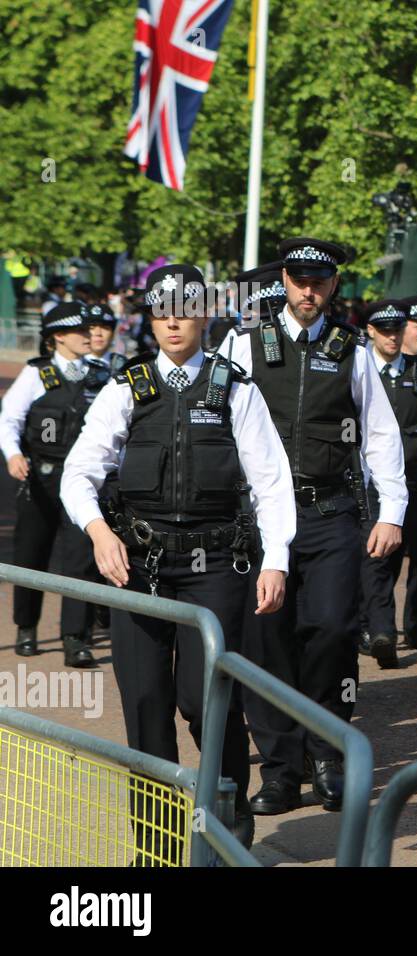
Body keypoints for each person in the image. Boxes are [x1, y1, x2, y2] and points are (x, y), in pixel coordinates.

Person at [60, 264, 295, 855]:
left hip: (215, 569)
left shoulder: (235, 387)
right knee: (145, 708)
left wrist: (276, 559)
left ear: (205, 314)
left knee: (203, 699)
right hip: (137, 569)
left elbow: (271, 482)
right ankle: (158, 845)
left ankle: (228, 812)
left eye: (185, 310)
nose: (173, 321)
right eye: (162, 311)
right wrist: (98, 533)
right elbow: (78, 473)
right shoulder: (125, 388)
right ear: (149, 316)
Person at [221, 238, 407, 816]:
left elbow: (380, 432)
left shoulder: (350, 346)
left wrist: (393, 509)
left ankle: (327, 755)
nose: (308, 291)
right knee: (267, 640)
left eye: (319, 281)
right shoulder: (245, 343)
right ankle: (279, 770)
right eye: (299, 280)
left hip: (330, 512)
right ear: (284, 280)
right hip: (258, 518)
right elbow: (217, 420)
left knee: (330, 629)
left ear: (333, 287)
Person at [1, 303, 103, 665]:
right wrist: (13, 454)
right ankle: (26, 627)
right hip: (41, 477)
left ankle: (75, 637)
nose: (89, 335)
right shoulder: (36, 374)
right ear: (58, 336)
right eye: (80, 331)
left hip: (83, 481)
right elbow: (9, 419)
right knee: (32, 554)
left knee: (80, 557)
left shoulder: (99, 374)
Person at [356, 299, 417, 667]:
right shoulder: (359, 368)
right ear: (371, 332)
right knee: (378, 557)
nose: (392, 336)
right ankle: (380, 631)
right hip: (374, 482)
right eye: (385, 330)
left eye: (397, 329)